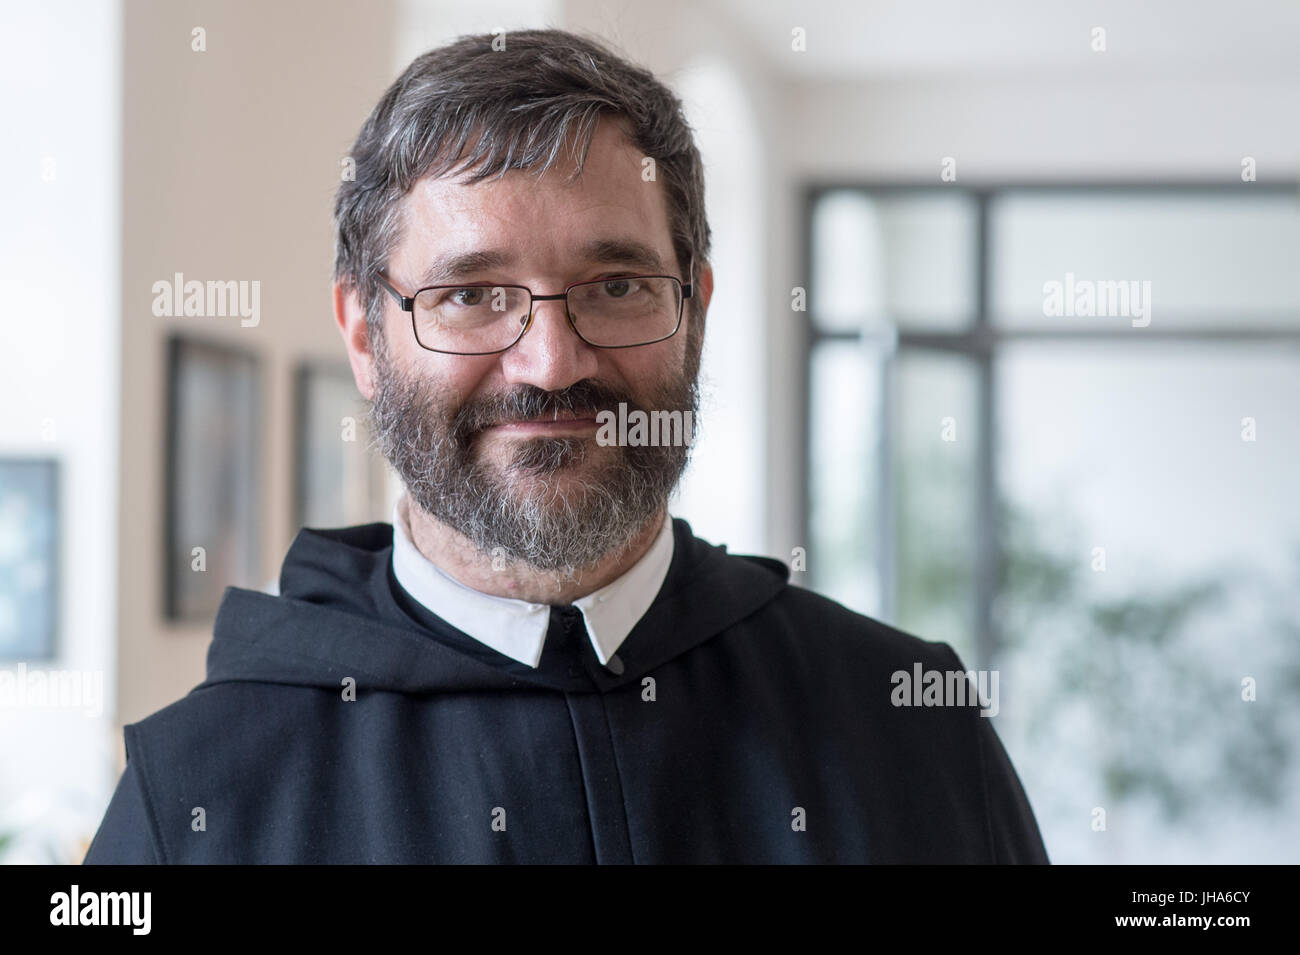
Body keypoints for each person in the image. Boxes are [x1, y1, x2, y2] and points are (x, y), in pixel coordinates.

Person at [84, 27, 1048, 864]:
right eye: (471, 295)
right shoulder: (197, 798)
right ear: (364, 335)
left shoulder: (908, 726)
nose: (549, 363)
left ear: (696, 312)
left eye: (617, 285)